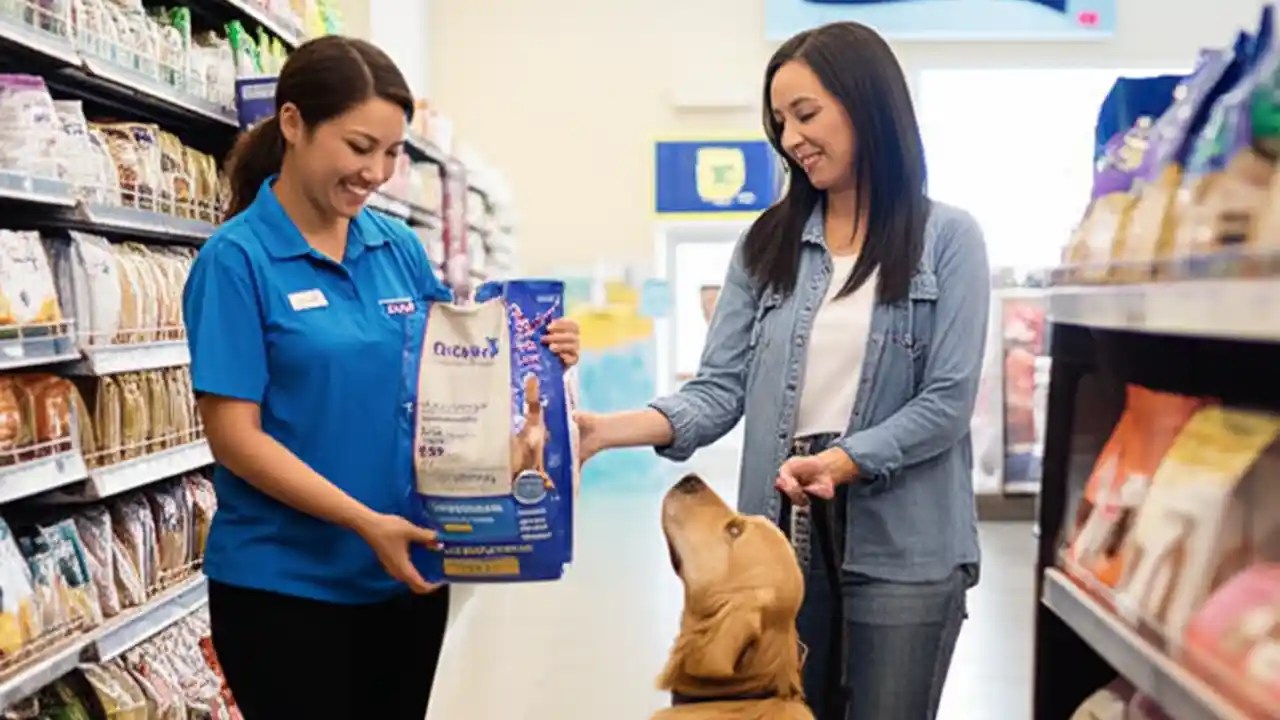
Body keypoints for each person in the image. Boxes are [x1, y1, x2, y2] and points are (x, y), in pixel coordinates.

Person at [575, 21, 988, 720]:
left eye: (806, 113)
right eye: (779, 121)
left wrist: (845, 461)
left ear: (868, 103)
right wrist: (603, 430)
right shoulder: (766, 245)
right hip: (782, 534)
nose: (791, 137)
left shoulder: (947, 239)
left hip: (905, 544)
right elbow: (719, 389)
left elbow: (947, 400)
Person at [182, 36, 580, 720]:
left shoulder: (393, 245)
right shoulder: (236, 261)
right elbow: (234, 438)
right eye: (360, 146)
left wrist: (534, 355)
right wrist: (366, 523)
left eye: (393, 153)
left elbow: (448, 378)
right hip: (285, 588)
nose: (378, 172)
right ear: (293, 124)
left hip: (406, 577)